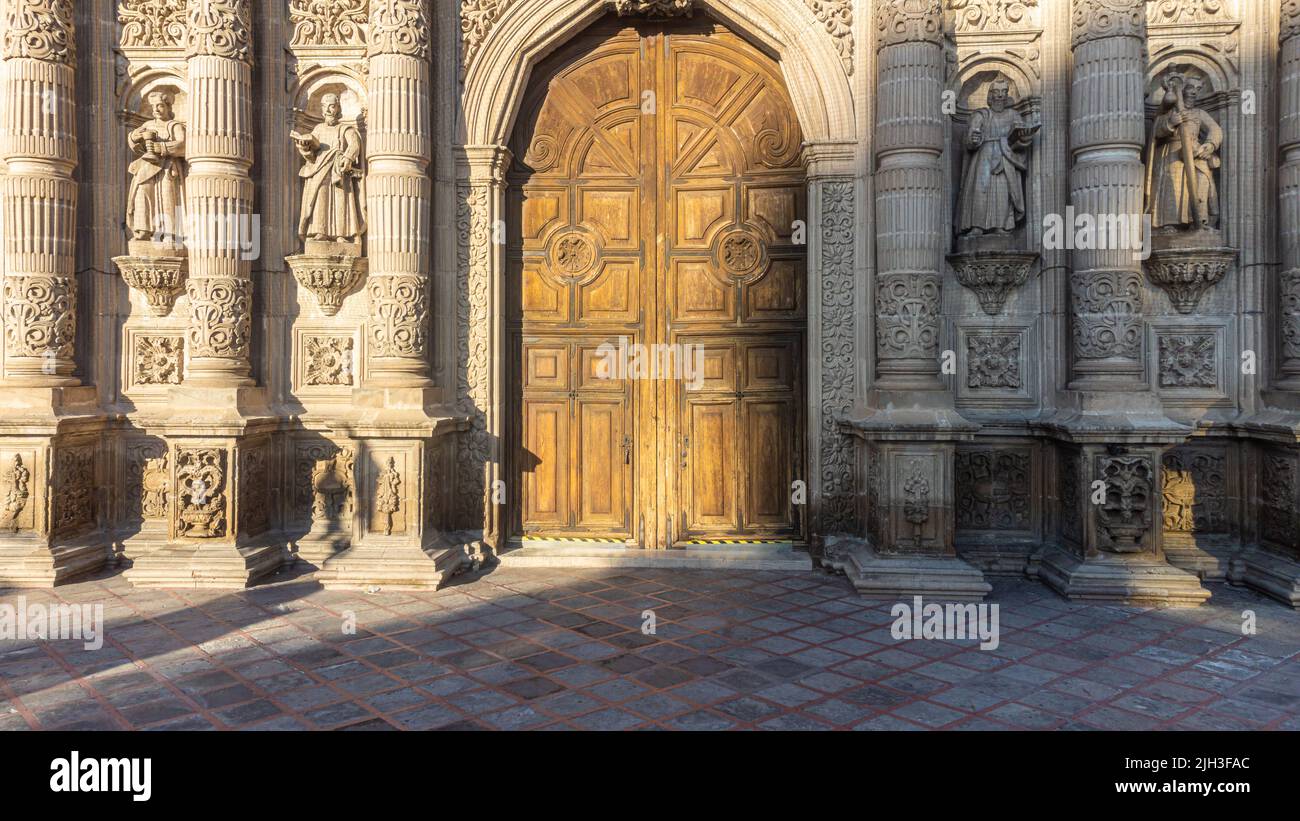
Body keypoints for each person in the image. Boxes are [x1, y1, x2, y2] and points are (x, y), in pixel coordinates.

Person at [956, 76, 1034, 237]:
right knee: (980, 190)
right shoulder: (982, 114)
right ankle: (976, 226)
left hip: (1006, 159)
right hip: (983, 158)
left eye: (1004, 92)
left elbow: (1021, 140)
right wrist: (974, 137)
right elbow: (971, 136)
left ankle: (1001, 226)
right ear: (990, 95)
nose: (1000, 95)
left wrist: (1024, 136)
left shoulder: (1013, 115)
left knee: (1003, 192)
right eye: (996, 92)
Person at [1145, 69, 1222, 231]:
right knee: (1173, 185)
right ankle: (1169, 223)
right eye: (1190, 88)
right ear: (1182, 89)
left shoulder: (1199, 113)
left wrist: (1209, 145)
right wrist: (1170, 123)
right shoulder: (1169, 112)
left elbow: (1215, 129)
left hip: (1195, 154)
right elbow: (1155, 132)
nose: (1194, 92)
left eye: (1198, 89)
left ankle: (1200, 222)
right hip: (1172, 154)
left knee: (1202, 182)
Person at [294, 93, 365, 245]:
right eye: (325, 106)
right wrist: (305, 148)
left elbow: (354, 144)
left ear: (338, 108)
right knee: (320, 197)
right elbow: (311, 157)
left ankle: (342, 234)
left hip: (338, 170)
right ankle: (320, 231)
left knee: (341, 200)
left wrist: (348, 157)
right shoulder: (318, 129)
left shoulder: (345, 128)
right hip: (319, 170)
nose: (328, 110)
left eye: (331, 106)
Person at [126, 91, 186, 244]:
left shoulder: (174, 126)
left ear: (168, 107)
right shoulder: (147, 125)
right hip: (147, 166)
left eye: (160, 106)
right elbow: (136, 147)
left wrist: (161, 147)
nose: (156, 110)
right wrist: (134, 137)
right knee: (142, 193)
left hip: (167, 168)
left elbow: (184, 145)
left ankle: (169, 233)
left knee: (167, 197)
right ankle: (142, 230)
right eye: (154, 107)